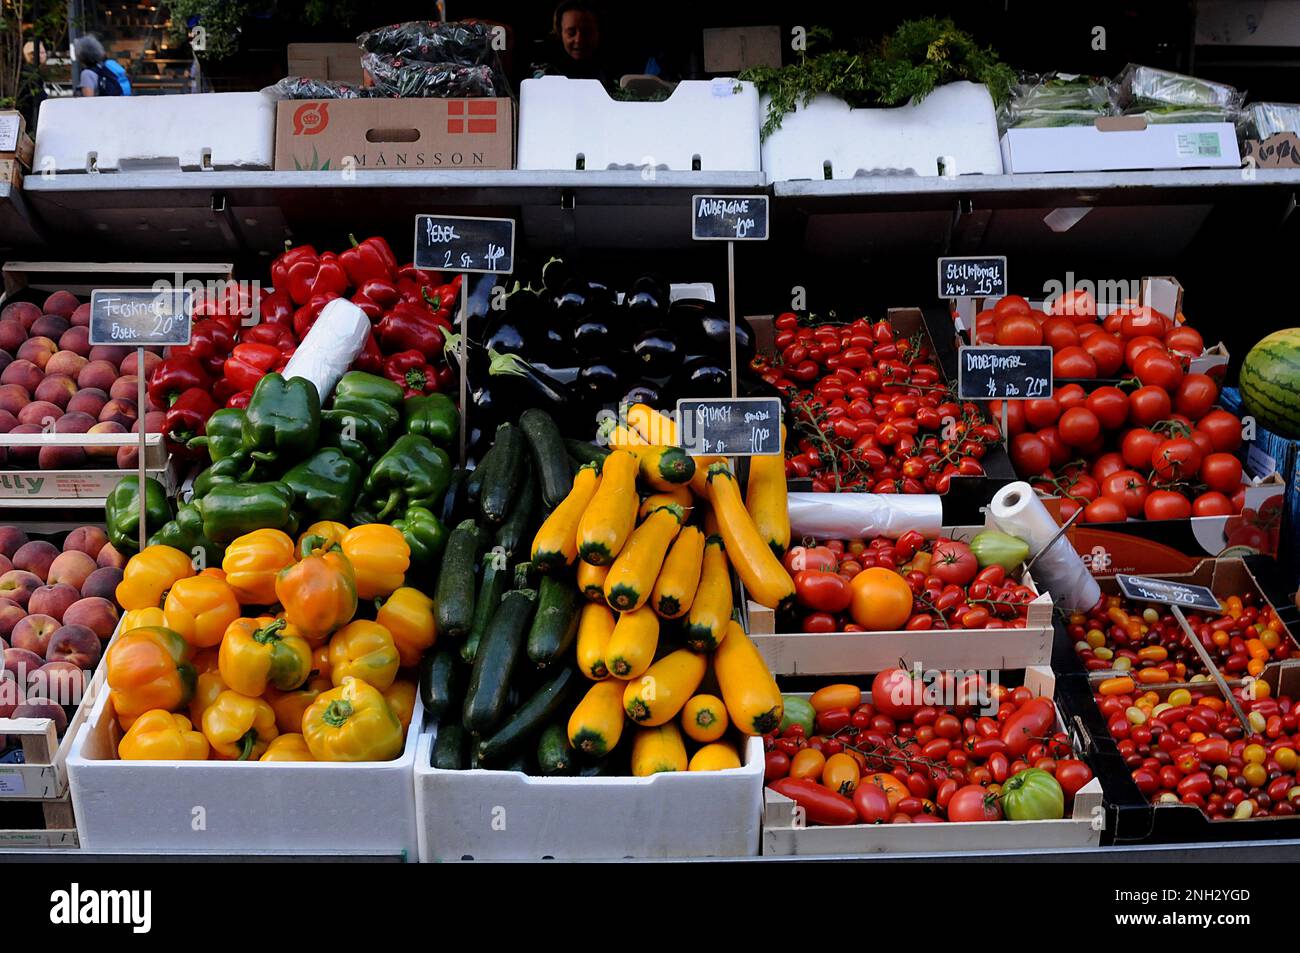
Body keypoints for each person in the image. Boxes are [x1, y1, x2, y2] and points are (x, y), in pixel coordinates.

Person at [540, 1, 611, 85]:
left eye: (586, 33)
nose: (578, 40)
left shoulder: (614, 71)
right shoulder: (544, 72)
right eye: (571, 33)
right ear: (560, 33)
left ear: (599, 32)